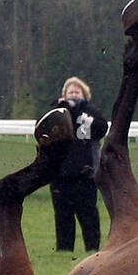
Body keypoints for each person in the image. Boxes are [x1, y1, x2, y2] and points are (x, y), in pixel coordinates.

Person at [48, 77, 108, 253]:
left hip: (85, 173)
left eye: (77, 92)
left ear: (85, 94)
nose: (73, 95)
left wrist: (80, 114)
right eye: (70, 92)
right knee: (63, 215)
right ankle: (64, 250)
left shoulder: (91, 111)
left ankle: (92, 249)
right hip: (60, 173)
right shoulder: (57, 111)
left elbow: (100, 129)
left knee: (88, 213)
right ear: (64, 95)